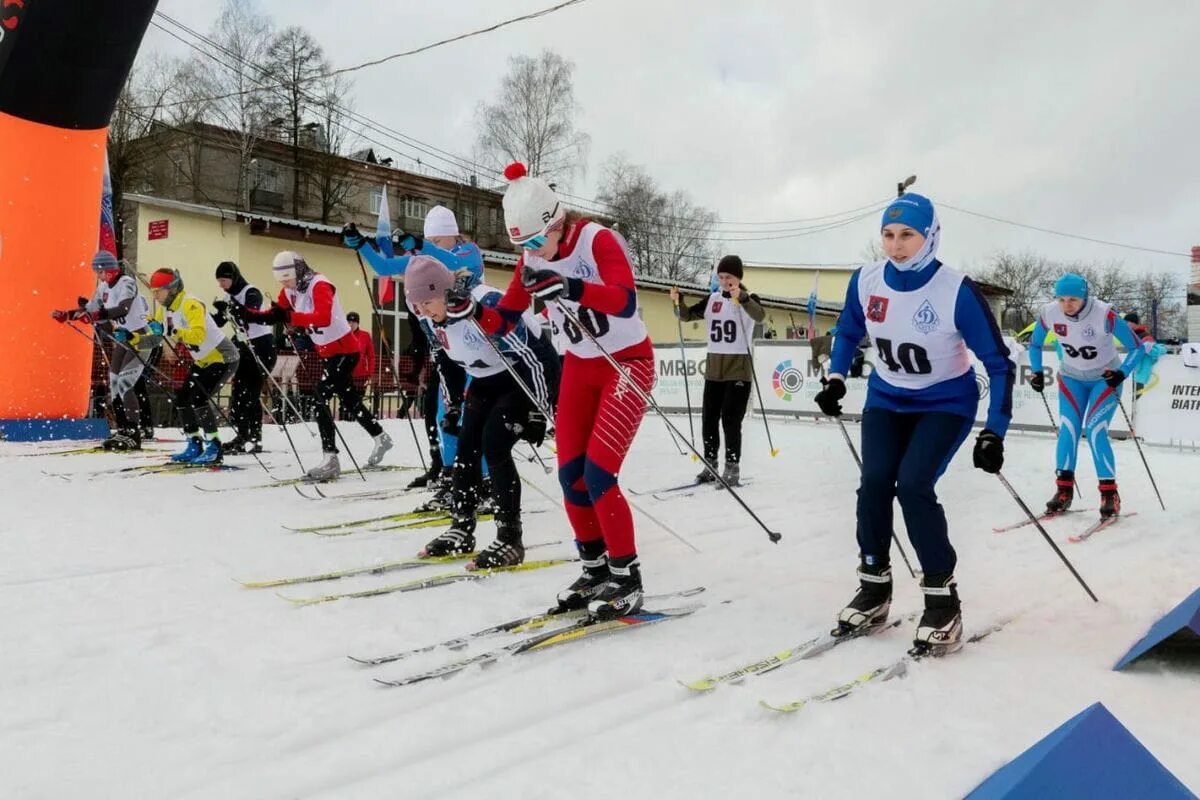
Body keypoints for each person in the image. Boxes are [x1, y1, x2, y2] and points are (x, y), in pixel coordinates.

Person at [813, 192, 1014, 656]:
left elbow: (998, 364)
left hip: (945, 402)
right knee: (875, 483)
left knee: (915, 484)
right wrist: (837, 376)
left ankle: (943, 601)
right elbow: (847, 329)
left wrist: (994, 431)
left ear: (930, 236)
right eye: (888, 235)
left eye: (908, 235)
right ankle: (874, 586)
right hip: (887, 397)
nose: (896, 245)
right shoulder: (866, 281)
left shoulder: (956, 290)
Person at [472, 161, 654, 619]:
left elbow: (624, 297)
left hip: (624, 363)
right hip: (579, 366)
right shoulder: (533, 255)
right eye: (522, 246)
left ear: (556, 222)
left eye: (535, 241)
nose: (532, 252)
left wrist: (570, 284)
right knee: (569, 475)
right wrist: (477, 314)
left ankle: (626, 574)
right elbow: (507, 314)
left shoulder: (597, 240)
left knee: (598, 475)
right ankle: (594, 567)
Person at [403, 256, 559, 568]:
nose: (423, 311)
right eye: (416, 305)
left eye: (428, 302)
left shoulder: (484, 302)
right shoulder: (427, 317)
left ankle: (509, 538)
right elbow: (445, 361)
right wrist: (454, 405)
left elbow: (538, 354)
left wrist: (541, 407)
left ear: (445, 291)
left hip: (521, 377)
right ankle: (461, 527)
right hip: (485, 381)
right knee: (465, 445)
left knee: (494, 443)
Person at [343, 205, 483, 495]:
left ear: (452, 236)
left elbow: (460, 267)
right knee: (440, 411)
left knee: (471, 413)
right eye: (429, 240)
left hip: (473, 347)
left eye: (437, 240)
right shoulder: (423, 259)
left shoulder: (467, 252)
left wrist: (422, 247)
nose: (433, 246)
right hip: (445, 349)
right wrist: (364, 245)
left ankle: (482, 477)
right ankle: (448, 472)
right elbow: (383, 267)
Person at [236, 251, 392, 481]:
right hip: (328, 354)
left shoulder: (320, 285)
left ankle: (330, 458)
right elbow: (275, 315)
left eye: (288, 278)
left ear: (299, 271)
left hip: (346, 352)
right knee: (350, 401)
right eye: (282, 280)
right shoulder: (289, 291)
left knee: (319, 398)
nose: (286, 284)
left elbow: (323, 317)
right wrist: (248, 314)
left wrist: (291, 317)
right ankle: (381, 437)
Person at [1027, 273, 1142, 518]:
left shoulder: (1104, 313)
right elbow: (1035, 344)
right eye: (1061, 299)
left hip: (1104, 379)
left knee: (1095, 429)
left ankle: (1109, 494)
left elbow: (1136, 347)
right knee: (1068, 428)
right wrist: (1036, 372)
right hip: (1071, 379)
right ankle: (1063, 490)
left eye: (1073, 299)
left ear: (1085, 297)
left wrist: (1122, 373)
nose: (1067, 305)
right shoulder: (1050, 313)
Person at [670, 254, 765, 486]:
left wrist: (741, 297)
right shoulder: (712, 298)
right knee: (709, 418)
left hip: (738, 367)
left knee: (730, 419)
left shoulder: (749, 298)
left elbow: (760, 316)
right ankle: (710, 464)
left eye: (729, 277)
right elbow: (686, 315)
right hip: (714, 367)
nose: (725, 282)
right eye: (721, 277)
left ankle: (732, 467)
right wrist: (677, 301)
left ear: (738, 277)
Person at [51, 251, 152, 450]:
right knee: (114, 381)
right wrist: (68, 315)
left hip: (141, 338)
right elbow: (90, 309)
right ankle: (123, 430)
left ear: (110, 270)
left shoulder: (126, 283)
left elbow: (123, 309)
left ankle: (134, 432)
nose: (98, 276)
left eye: (100, 271)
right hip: (123, 338)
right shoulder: (103, 288)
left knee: (125, 383)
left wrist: (97, 315)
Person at [146, 269, 239, 465]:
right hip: (203, 360)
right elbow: (156, 337)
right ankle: (194, 443)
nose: (155, 296)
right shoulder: (165, 308)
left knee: (199, 398)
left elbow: (197, 335)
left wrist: (170, 330)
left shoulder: (190, 303)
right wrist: (132, 339)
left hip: (223, 357)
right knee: (182, 398)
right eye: (153, 292)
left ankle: (214, 446)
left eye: (158, 291)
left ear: (171, 289)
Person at [212, 261, 276, 454]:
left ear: (233, 277)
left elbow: (249, 316)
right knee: (239, 392)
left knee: (251, 394)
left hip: (262, 346)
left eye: (224, 280)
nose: (221, 285)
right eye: (219, 281)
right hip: (244, 347)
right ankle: (242, 435)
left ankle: (255, 438)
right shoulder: (229, 295)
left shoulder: (251, 292)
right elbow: (220, 321)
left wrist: (229, 309)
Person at [346, 311, 375, 392]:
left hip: (361, 376)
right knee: (347, 401)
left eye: (354, 322)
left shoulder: (365, 336)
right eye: (349, 322)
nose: (351, 325)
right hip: (346, 375)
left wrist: (370, 373)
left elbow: (371, 356)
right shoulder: (343, 336)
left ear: (358, 323)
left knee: (358, 399)